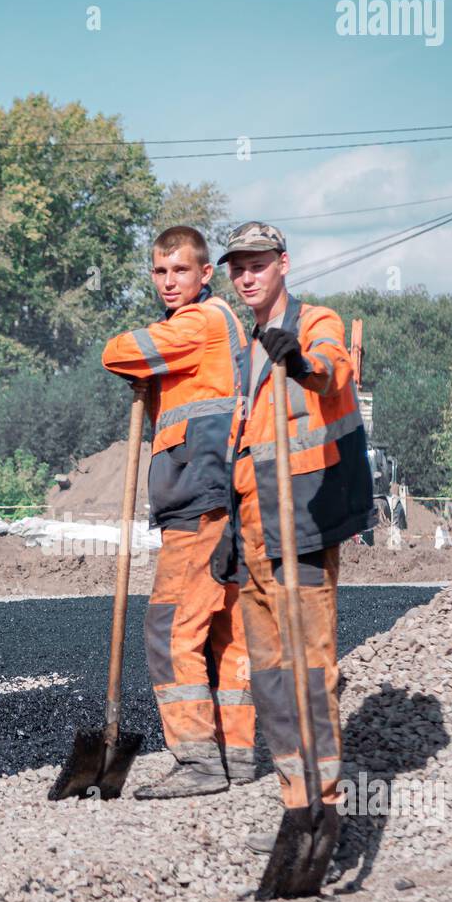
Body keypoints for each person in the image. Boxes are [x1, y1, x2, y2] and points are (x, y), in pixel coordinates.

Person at [217, 221, 373, 895]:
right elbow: (242, 440)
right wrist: (227, 522)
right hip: (254, 530)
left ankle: (326, 808)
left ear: (283, 263)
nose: (247, 277)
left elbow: (335, 369)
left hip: (303, 526)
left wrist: (300, 361)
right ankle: (292, 804)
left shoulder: (316, 322)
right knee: (273, 681)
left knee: (311, 673)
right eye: (237, 268)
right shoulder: (243, 349)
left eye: (258, 264)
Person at [101, 226, 255, 798]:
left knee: (169, 628)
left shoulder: (200, 323)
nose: (169, 282)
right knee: (225, 627)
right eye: (161, 272)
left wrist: (146, 362)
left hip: (199, 500)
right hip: (225, 498)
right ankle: (237, 755)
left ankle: (197, 758)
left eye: (180, 272)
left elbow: (117, 351)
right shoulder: (214, 332)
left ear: (205, 273)